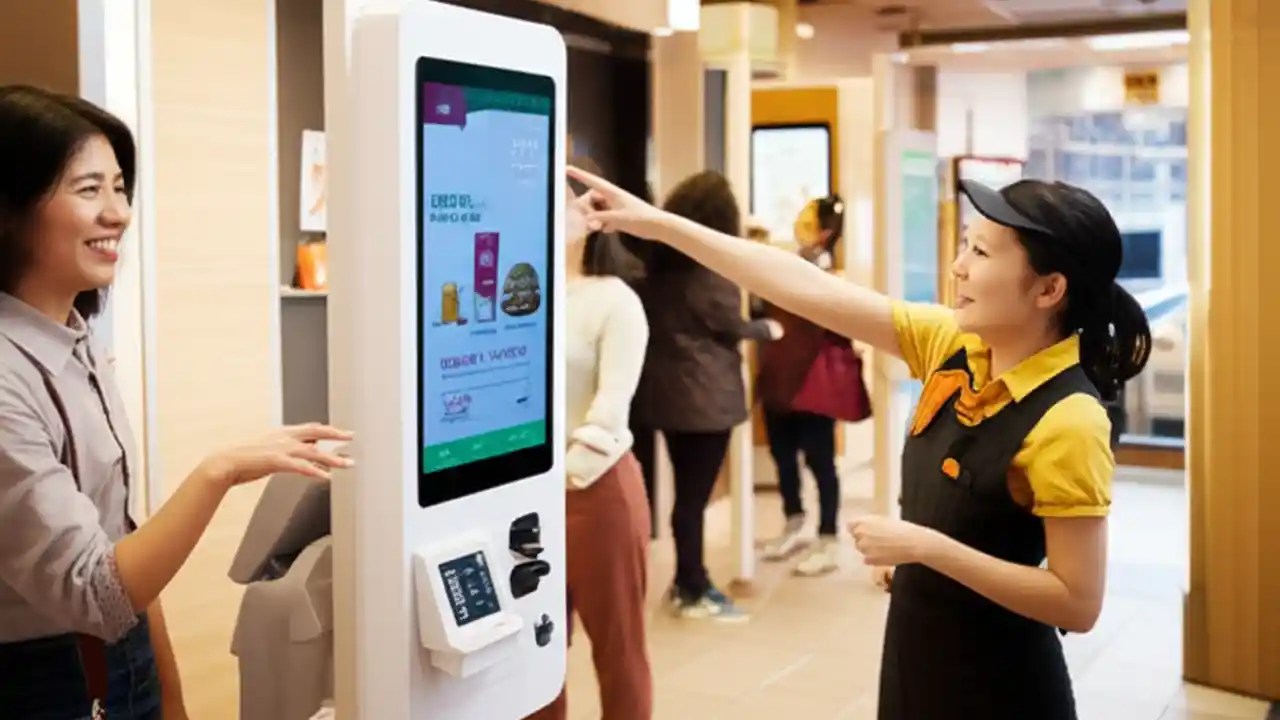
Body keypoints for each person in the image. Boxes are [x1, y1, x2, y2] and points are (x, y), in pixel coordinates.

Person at [567, 164, 1150, 719]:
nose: (958, 267)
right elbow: (798, 283)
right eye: (963, 245)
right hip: (918, 657)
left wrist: (927, 550)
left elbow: (1076, 601)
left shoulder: (1069, 418)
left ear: (1049, 290)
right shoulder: (953, 344)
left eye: (979, 252)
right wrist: (656, 222)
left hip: (1002, 687)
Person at [0, 85, 352, 719]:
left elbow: (120, 540)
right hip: (42, 680)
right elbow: (97, 591)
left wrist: (170, 694)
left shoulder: (77, 341)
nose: (119, 213)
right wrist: (220, 472)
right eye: (88, 190)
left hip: (123, 657)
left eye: (119, 186)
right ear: (11, 209)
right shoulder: (6, 375)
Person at [627, 171, 780, 622]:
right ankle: (693, 586)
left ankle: (684, 582)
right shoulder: (711, 276)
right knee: (693, 500)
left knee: (685, 498)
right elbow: (732, 327)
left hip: (665, 399)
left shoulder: (655, 268)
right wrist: (767, 329)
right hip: (705, 402)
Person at [532, 164, 652, 719]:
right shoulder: (524, 293)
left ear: (594, 215)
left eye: (564, 200)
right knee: (533, 654)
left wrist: (561, 477)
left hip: (597, 494)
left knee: (618, 649)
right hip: (529, 498)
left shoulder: (616, 301)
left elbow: (609, 413)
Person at [754, 195, 850, 576]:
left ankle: (827, 536)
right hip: (781, 378)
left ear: (824, 231)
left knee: (820, 460)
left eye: (808, 219)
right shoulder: (792, 262)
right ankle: (794, 522)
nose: (798, 222)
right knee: (784, 456)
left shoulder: (823, 270)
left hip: (811, 382)